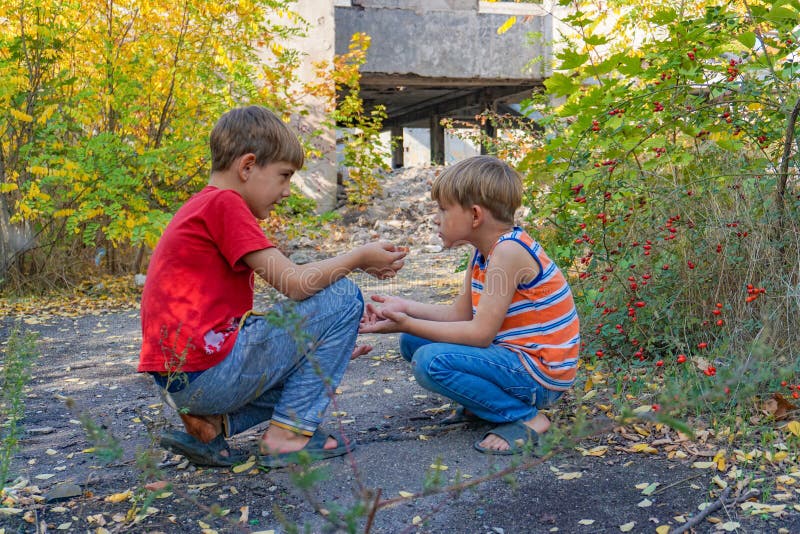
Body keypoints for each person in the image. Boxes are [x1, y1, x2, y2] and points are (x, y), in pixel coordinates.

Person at [138, 106, 406, 467]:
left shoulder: (201, 207)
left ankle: (211, 426)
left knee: (313, 356)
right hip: (208, 374)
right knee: (343, 296)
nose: (286, 192)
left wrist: (323, 353)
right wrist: (357, 258)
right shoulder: (225, 204)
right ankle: (287, 438)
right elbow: (294, 284)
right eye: (284, 176)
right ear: (247, 167)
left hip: (181, 383)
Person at [360, 155, 579, 455]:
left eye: (443, 209)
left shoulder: (509, 253)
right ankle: (483, 405)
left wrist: (405, 321)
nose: (436, 218)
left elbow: (479, 335)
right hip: (513, 360)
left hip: (538, 374)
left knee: (430, 361)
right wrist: (404, 309)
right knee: (412, 341)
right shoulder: (484, 253)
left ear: (475, 215)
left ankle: (527, 418)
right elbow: (457, 315)